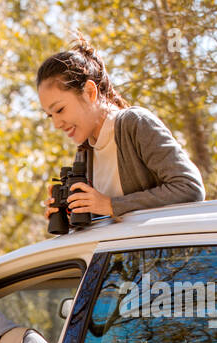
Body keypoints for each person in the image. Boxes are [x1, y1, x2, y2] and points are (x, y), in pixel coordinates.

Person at [37, 38, 205, 222]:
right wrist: (70, 216)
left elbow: (189, 187)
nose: (56, 124)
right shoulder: (85, 154)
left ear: (90, 92)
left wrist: (110, 205)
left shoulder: (135, 124)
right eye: (50, 115)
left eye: (60, 110)